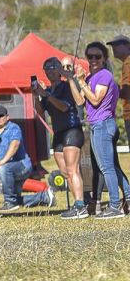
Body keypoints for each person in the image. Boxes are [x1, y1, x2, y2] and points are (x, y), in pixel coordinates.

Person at [64, 41, 129, 219]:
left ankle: (115, 206)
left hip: (103, 125)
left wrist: (82, 82)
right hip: (96, 126)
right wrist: (72, 79)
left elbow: (95, 100)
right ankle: (128, 199)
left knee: (106, 168)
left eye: (97, 56)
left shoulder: (104, 75)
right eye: (90, 56)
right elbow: (80, 102)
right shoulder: (91, 78)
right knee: (113, 166)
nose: (93, 59)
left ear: (104, 58)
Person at [0, 106, 53, 211]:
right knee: (16, 200)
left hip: (22, 166)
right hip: (6, 171)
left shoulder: (14, 128)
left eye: (0, 116)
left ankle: (9, 202)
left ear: (7, 117)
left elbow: (15, 144)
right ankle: (45, 197)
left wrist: (3, 161)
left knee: (4, 169)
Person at [33, 57, 86, 219]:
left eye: (53, 67)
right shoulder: (49, 90)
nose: (50, 71)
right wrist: (36, 95)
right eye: (46, 68)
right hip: (58, 134)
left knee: (72, 169)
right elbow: (40, 113)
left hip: (72, 130)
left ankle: (80, 205)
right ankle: (77, 205)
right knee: (65, 172)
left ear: (60, 70)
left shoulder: (66, 86)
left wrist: (46, 95)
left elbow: (64, 107)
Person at [107, 35, 130, 142]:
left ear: (127, 45)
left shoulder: (128, 62)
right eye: (112, 45)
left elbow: (127, 93)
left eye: (117, 44)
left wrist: (110, 86)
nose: (113, 48)